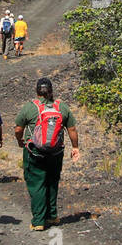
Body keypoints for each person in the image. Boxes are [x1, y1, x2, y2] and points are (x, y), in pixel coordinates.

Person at [13, 77, 79, 230]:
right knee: (52, 182)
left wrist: (19, 141)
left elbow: (18, 129)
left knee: (36, 184)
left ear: (37, 92)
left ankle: (38, 221)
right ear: (51, 91)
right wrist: (75, 147)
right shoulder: (61, 107)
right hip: (56, 153)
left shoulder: (30, 108)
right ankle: (52, 216)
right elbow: (72, 129)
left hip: (34, 152)